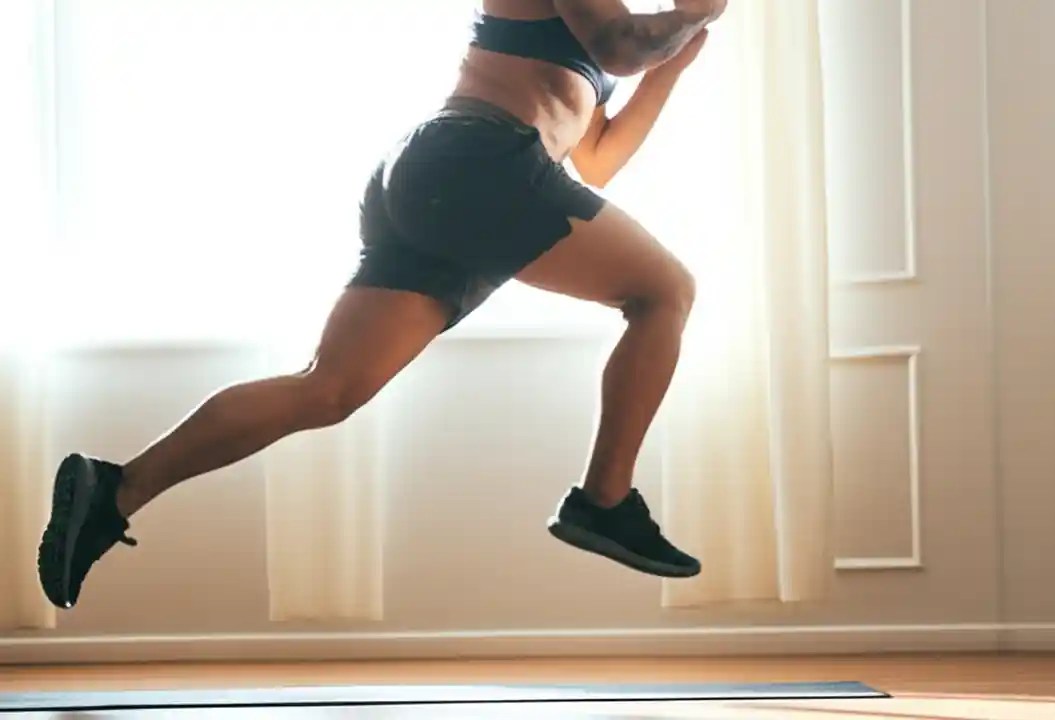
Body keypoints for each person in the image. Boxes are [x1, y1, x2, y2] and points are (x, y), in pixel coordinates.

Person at [36, 0, 728, 609]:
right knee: (665, 291)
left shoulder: (607, 22)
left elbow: (599, 156)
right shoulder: (608, 23)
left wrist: (676, 58)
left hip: (443, 179)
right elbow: (618, 43)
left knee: (327, 390)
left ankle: (115, 488)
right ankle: (604, 500)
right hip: (478, 161)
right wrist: (690, 15)